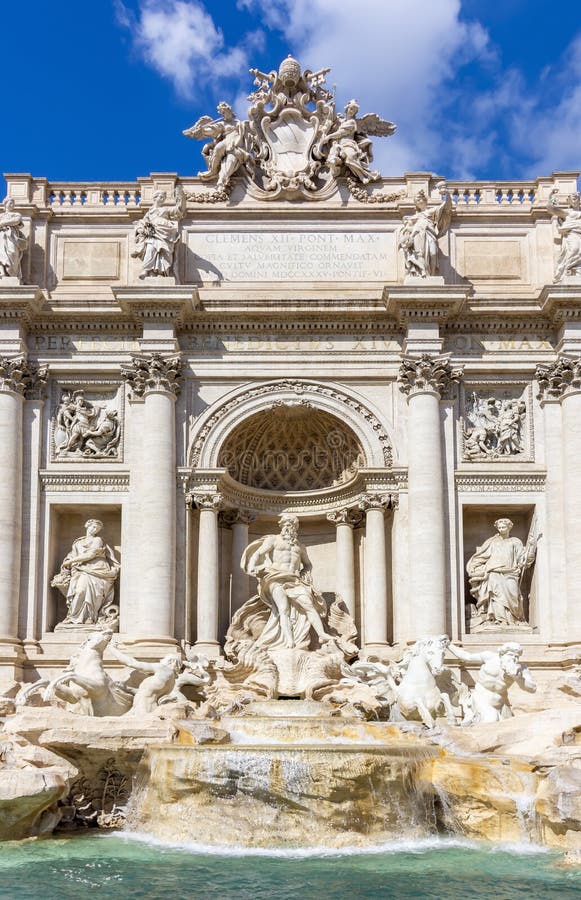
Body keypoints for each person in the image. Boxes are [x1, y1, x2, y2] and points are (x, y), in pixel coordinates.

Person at [241, 514, 332, 650]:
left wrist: (304, 574)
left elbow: (308, 564)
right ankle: (289, 641)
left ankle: (322, 634)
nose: (288, 527)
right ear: (281, 526)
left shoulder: (300, 547)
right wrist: (252, 566)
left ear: (296, 527)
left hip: (294, 580)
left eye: (291, 525)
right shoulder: (274, 540)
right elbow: (258, 554)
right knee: (283, 609)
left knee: (309, 605)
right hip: (275, 577)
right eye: (286, 525)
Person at [466, 518, 535, 627]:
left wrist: (531, 548)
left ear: (509, 527)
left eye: (503, 527)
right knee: (495, 596)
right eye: (499, 527)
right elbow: (482, 556)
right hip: (493, 572)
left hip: (511, 573)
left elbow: (523, 559)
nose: (501, 529)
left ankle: (514, 619)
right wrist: (474, 566)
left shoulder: (515, 541)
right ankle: (499, 620)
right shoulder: (492, 541)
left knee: (513, 595)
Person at [52, 520, 120, 626]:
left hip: (98, 570)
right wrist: (67, 560)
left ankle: (90, 617)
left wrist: (71, 561)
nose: (95, 530)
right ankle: (74, 617)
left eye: (97, 529)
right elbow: (72, 555)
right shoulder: (78, 542)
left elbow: (90, 555)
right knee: (80, 591)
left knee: (96, 594)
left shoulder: (98, 540)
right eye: (93, 527)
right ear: (87, 526)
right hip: (81, 570)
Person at [448, 641, 536, 723]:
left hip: (501, 705)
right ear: (502, 654)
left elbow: (532, 688)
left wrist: (518, 678)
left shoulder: (521, 669)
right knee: (491, 718)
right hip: (481, 697)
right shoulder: (489, 657)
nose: (513, 658)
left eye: (516, 656)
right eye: (510, 655)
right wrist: (448, 645)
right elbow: (466, 656)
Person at [399, 183, 452, 277]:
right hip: (418, 237)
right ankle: (423, 272)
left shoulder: (431, 212)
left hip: (429, 235)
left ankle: (431, 275)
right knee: (420, 255)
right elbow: (407, 229)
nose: (419, 201)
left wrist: (446, 194)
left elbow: (446, 207)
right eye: (417, 200)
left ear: (425, 200)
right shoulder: (413, 217)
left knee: (433, 253)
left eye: (420, 199)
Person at [131, 187, 185, 277]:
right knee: (150, 249)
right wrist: (142, 229)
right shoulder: (149, 213)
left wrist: (181, 197)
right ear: (155, 198)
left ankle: (162, 272)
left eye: (163, 197)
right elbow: (142, 223)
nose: (162, 199)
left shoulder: (166, 210)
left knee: (165, 253)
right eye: (160, 197)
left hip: (165, 234)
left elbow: (179, 209)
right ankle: (146, 270)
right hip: (153, 234)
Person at [549, 191, 581, 282]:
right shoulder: (567, 212)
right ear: (569, 200)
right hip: (572, 234)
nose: (574, 198)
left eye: (576, 197)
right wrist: (551, 196)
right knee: (575, 249)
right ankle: (566, 268)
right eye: (572, 197)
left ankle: (576, 271)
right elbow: (551, 209)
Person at [0, 197, 28, 280]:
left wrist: (2, 223)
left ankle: (12, 274)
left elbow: (17, 220)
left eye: (13, 203)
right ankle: (3, 273)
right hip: (2, 236)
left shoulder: (16, 215)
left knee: (12, 253)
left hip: (12, 237)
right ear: (5, 204)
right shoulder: (1, 215)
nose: (12, 204)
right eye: (10, 203)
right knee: (1, 254)